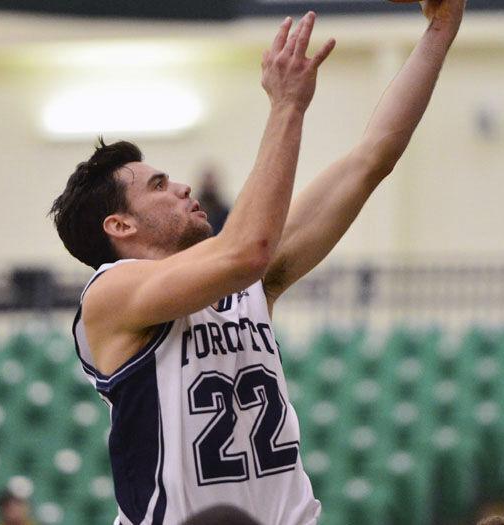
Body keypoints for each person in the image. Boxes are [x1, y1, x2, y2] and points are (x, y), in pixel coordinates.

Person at [48, 1, 465, 523]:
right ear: (120, 227)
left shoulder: (241, 279)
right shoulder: (109, 295)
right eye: (158, 185)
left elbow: (371, 157)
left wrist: (440, 30)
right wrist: (286, 106)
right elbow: (246, 251)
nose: (182, 186)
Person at [195, 164, 231, 235]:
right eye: (207, 179)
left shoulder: (223, 210)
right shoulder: (195, 208)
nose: (209, 183)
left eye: (211, 180)